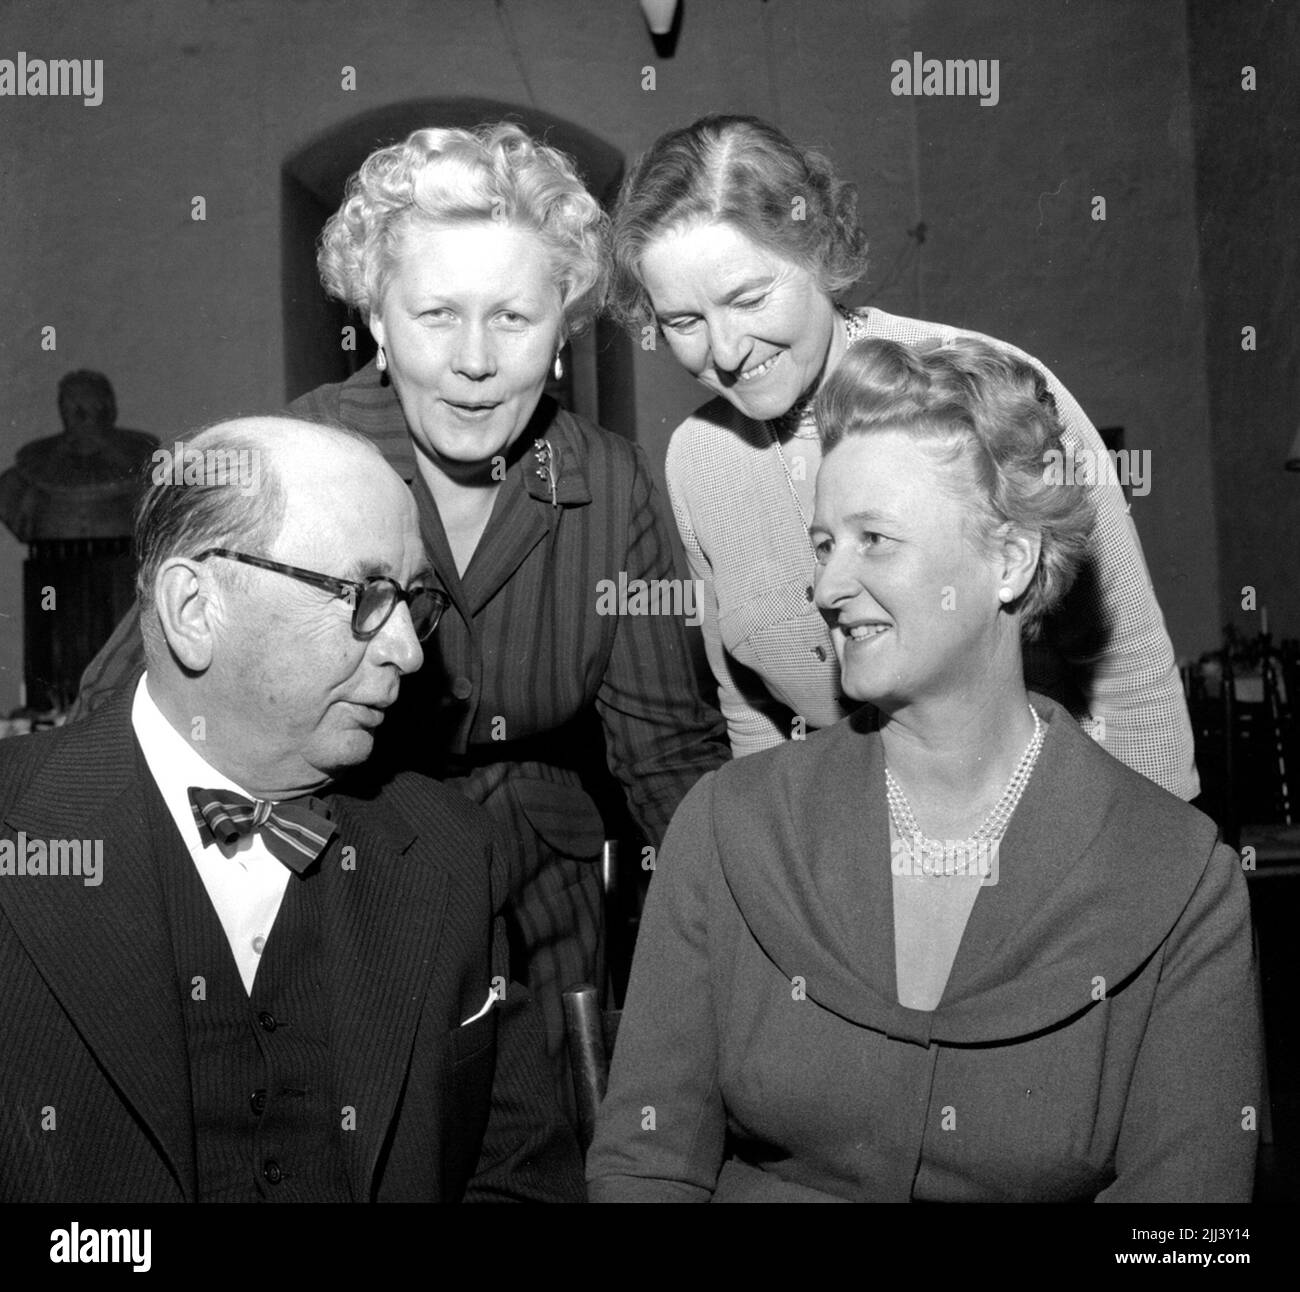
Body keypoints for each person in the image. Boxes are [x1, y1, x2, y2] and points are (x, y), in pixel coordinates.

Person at [69, 125, 728, 1096]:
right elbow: (118, 709)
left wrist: (746, 938)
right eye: (434, 314)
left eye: (512, 316)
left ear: (562, 328)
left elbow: (667, 754)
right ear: (377, 320)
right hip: (336, 894)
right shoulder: (297, 457)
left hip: (541, 918)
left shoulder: (611, 481)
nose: (473, 360)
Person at [586, 338, 1261, 1203]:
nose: (828, 585)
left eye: (876, 539)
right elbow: (647, 1165)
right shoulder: (729, 825)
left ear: (1009, 562)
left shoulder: (1177, 876)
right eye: (824, 543)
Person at [0, 417, 584, 1202]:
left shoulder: (451, 850)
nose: (409, 652)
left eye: (414, 601)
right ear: (194, 608)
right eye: (366, 595)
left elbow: (520, 1180)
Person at [609, 114, 1198, 800]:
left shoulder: (989, 385)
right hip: (842, 857)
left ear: (819, 249)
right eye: (684, 321)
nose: (728, 350)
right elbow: (752, 714)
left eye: (749, 297)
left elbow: (1127, 670)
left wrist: (1141, 878)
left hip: (1042, 831)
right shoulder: (696, 461)